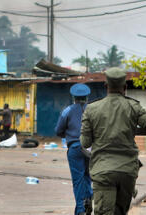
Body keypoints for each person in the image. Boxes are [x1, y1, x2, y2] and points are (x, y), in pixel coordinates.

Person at [81, 67, 146, 214]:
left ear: (106, 86)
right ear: (125, 87)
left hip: (102, 171)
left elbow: (85, 143)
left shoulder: (91, 109)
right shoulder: (134, 107)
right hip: (127, 171)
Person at [56, 83, 93, 215]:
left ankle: (80, 210)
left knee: (78, 180)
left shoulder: (68, 110)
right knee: (88, 176)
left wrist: (67, 134)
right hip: (90, 149)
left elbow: (58, 130)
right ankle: (89, 199)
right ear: (87, 97)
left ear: (74, 97)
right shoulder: (93, 110)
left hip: (75, 147)